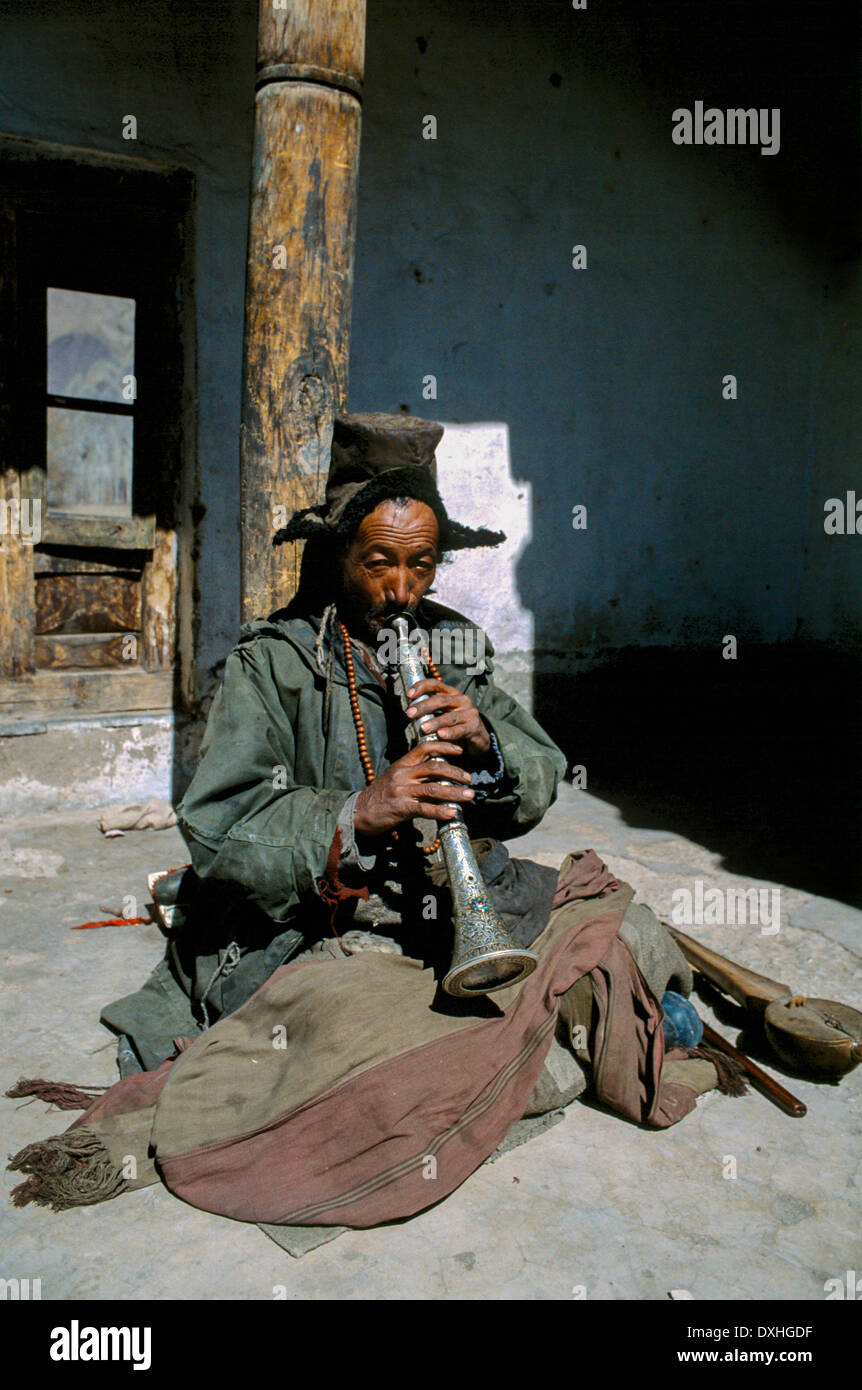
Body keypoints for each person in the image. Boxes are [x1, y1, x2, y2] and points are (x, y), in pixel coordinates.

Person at [102, 411, 705, 1106]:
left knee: (625, 932)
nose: (402, 591)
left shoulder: (451, 644)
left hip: (447, 895)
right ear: (337, 559)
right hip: (319, 924)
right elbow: (217, 821)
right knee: (369, 1051)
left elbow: (541, 773)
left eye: (421, 564)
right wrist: (357, 811)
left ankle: (550, 1035)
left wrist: (485, 744)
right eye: (379, 562)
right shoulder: (273, 663)